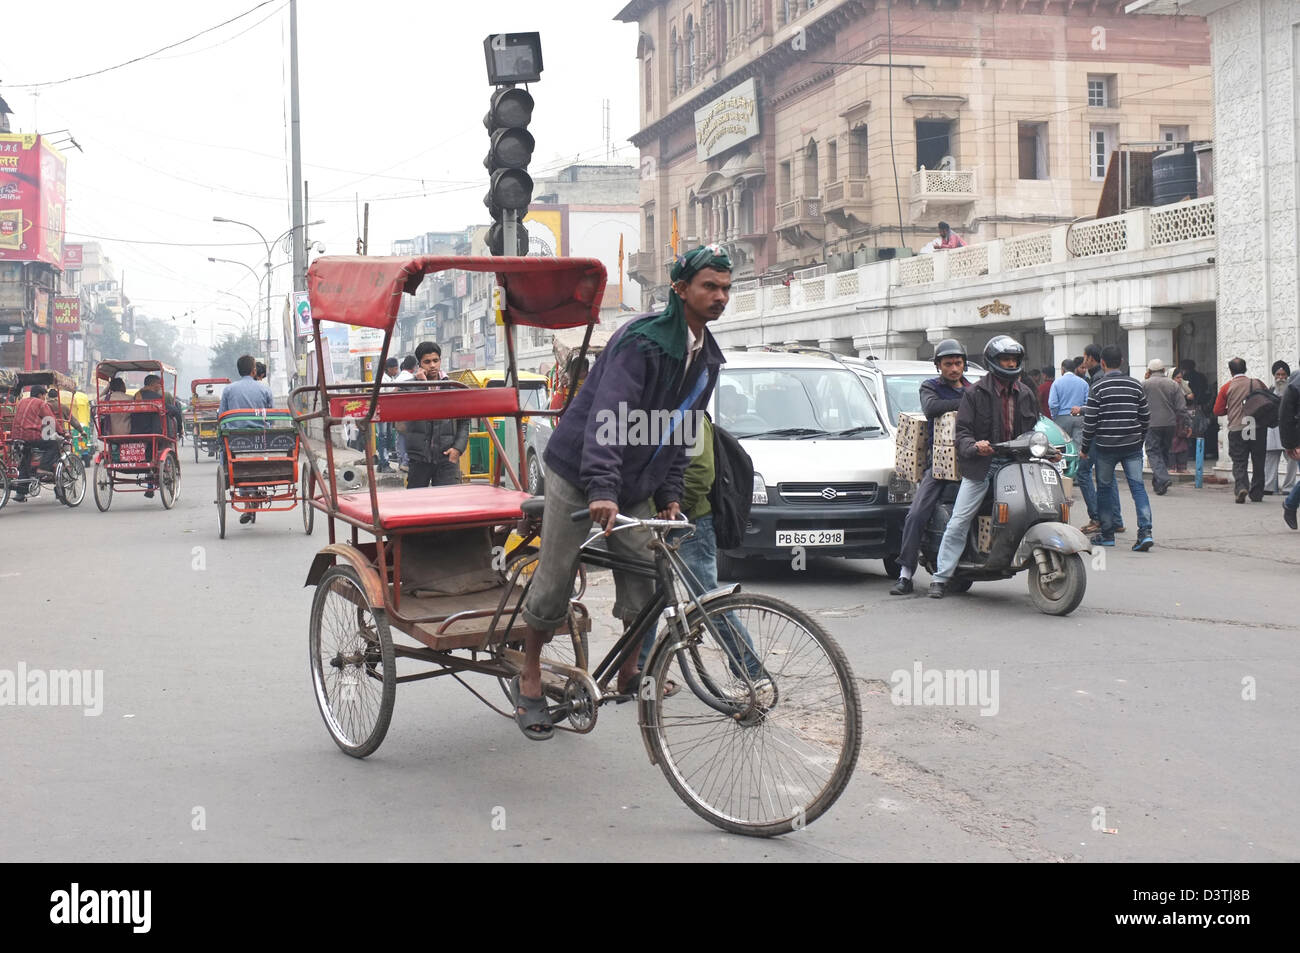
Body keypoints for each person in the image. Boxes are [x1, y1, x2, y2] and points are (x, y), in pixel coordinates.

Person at [513, 244, 729, 738]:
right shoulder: (643, 341)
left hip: (632, 481)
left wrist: (670, 492)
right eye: (709, 287)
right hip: (578, 470)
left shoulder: (706, 357)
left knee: (644, 577)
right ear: (680, 290)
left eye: (725, 289)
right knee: (557, 578)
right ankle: (528, 675)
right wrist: (602, 490)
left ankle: (630, 669)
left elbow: (683, 428)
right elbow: (609, 417)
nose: (719, 297)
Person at [928, 335, 1040, 598]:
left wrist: (1045, 448)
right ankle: (941, 576)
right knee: (959, 519)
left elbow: (1034, 428)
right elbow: (962, 431)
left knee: (1034, 508)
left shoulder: (1025, 392)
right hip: (984, 464)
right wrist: (974, 446)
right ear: (993, 361)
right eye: (1005, 359)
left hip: (1016, 462)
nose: (1011, 363)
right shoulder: (974, 392)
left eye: (1014, 359)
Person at [890, 338, 974, 596]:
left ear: (964, 365)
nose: (953, 369)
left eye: (958, 363)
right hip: (937, 467)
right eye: (948, 364)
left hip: (970, 465)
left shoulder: (973, 388)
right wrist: (966, 402)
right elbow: (932, 408)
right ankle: (905, 574)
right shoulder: (931, 387)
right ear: (938, 366)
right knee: (916, 515)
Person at [1082, 346, 1153, 551]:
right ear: (1121, 361)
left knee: (1104, 489)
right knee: (1138, 488)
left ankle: (1107, 534)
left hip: (1105, 447)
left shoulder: (1098, 387)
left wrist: (1085, 448)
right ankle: (1145, 532)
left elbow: (1091, 422)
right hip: (1132, 446)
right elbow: (1145, 417)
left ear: (1102, 363)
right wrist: (1140, 439)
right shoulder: (1135, 385)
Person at [405, 342, 468, 488]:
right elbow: (409, 412)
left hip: (447, 457)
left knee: (448, 505)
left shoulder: (453, 387)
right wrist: (422, 386)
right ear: (419, 364)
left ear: (440, 361)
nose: (432, 365)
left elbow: (464, 421)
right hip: (419, 458)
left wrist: (458, 449)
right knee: (416, 504)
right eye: (427, 362)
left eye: (435, 360)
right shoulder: (409, 387)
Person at [1213, 357, 1271, 503]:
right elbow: (1268, 400)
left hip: (1238, 428)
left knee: (1239, 460)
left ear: (1231, 370)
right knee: (1258, 460)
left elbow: (1217, 410)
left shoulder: (1227, 387)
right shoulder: (1258, 383)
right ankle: (1257, 493)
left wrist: (1232, 410)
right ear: (1245, 368)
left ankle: (1241, 487)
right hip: (1257, 427)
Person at [1140, 358, 1189, 496]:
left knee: (1153, 452)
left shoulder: (1144, 384)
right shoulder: (1173, 384)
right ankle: (1160, 485)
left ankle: (1163, 478)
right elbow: (1181, 407)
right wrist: (1187, 423)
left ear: (1149, 371)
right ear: (1163, 370)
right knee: (1164, 452)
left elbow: (1138, 405)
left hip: (1151, 423)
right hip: (1170, 424)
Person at [9, 383, 63, 502]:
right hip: (31, 436)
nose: (45, 398)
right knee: (52, 444)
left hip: (17, 437)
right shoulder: (40, 403)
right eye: (44, 395)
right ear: (40, 395)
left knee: (25, 460)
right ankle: (43, 468)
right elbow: (50, 420)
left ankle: (20, 493)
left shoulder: (22, 402)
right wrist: (62, 432)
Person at [1264, 361, 1297, 496]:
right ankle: (1268, 486)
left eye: (1283, 374)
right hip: (1272, 429)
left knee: (1291, 460)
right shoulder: (1270, 391)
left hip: (1288, 430)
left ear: (1288, 376)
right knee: (1270, 458)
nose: (1280, 377)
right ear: (1274, 375)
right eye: (1278, 374)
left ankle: (1288, 487)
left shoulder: (1293, 391)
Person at [1048, 357, 1088, 448]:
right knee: (1078, 447)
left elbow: (1052, 404)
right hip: (1079, 418)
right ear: (1074, 369)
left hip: (1061, 418)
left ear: (1062, 369)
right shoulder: (1083, 383)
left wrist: (1055, 417)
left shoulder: (1056, 383)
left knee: (1063, 447)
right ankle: (1077, 462)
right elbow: (1087, 403)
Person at [1278, 368, 1300, 529]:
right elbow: (1285, 416)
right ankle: (1290, 504)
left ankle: (1290, 504)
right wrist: (1291, 444)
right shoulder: (1295, 385)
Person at [376, 357, 399, 473]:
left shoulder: (391, 379)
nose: (396, 370)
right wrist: (395, 390)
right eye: (395, 368)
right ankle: (384, 463)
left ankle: (381, 463)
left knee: (388, 437)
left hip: (388, 413)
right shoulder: (383, 379)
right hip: (382, 413)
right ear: (389, 369)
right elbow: (382, 397)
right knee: (382, 438)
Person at [393, 356, 417, 471]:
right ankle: (407, 462)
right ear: (414, 367)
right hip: (411, 414)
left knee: (400, 439)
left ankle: (402, 461)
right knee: (411, 439)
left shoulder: (397, 378)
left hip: (399, 414)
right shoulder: (413, 379)